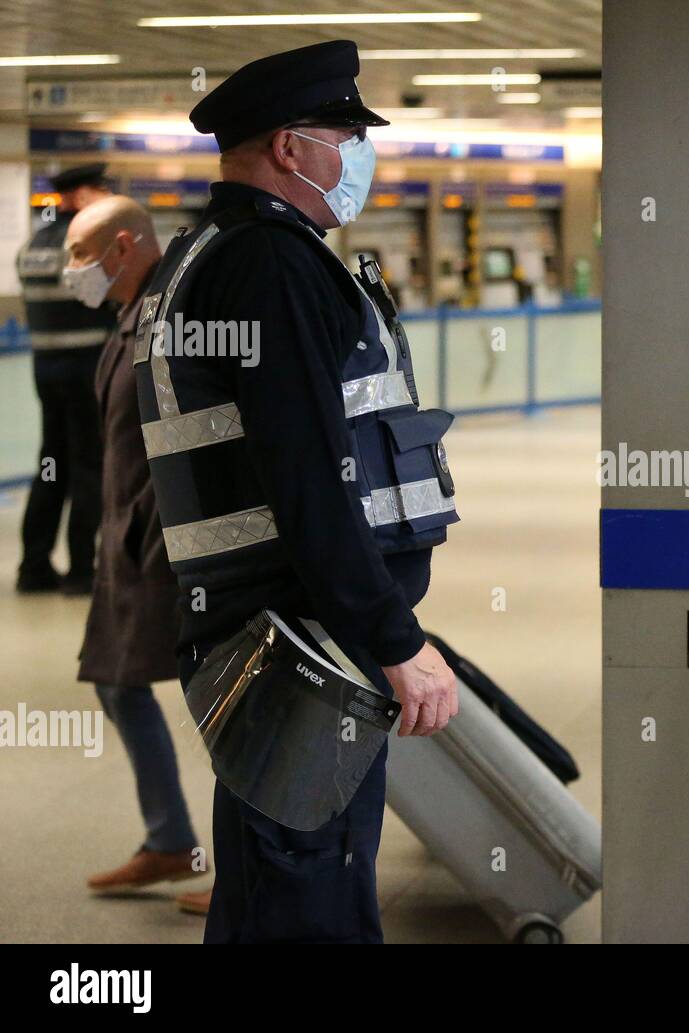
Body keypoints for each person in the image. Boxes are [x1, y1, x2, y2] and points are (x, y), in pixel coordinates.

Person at [137, 39, 461, 943]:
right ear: (290, 148)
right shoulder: (272, 265)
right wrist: (393, 639)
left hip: (261, 631)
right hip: (306, 641)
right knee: (312, 900)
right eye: (346, 134)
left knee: (266, 891)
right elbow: (313, 481)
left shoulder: (199, 257)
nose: (359, 153)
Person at [65, 196, 207, 911]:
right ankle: (170, 840)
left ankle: (252, 865)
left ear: (125, 245)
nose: (72, 272)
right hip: (126, 539)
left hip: (167, 545)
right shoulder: (130, 316)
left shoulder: (176, 313)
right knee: (118, 680)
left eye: (82, 255)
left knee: (216, 695)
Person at [14, 163, 115, 594]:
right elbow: (101, 298)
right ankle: (80, 571)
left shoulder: (34, 244)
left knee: (51, 465)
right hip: (85, 370)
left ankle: (33, 568)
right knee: (89, 466)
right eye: (99, 192)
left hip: (46, 369)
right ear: (80, 196)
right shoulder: (84, 241)